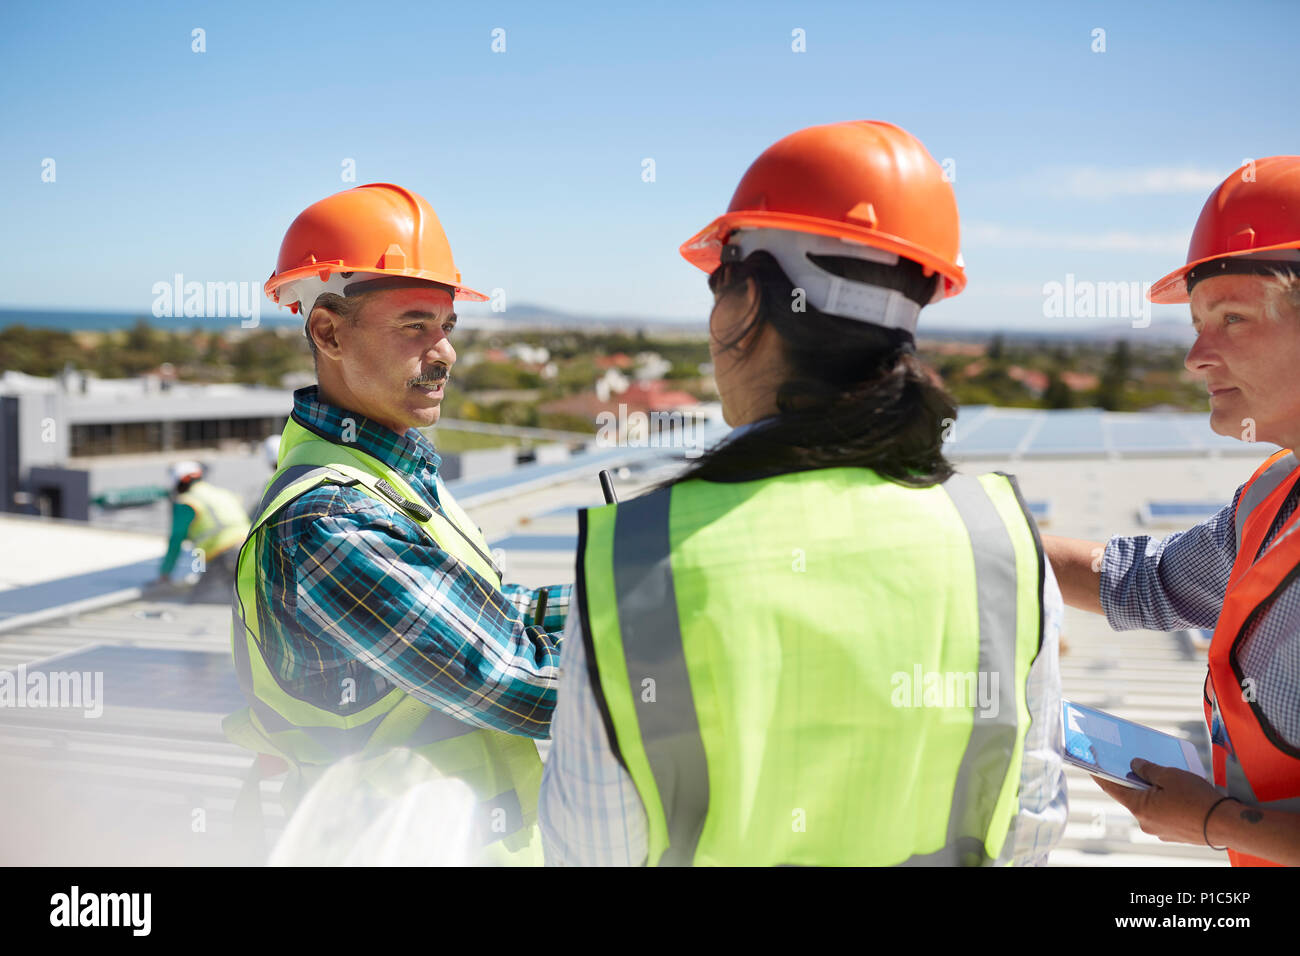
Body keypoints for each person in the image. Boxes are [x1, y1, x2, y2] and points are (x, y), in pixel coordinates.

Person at [538, 121, 1067, 866]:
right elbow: (1031, 827)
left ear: (750, 302)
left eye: (717, 281)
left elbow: (586, 853)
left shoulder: (638, 561)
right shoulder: (1002, 546)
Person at [224, 182, 568, 865]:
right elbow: (520, 679)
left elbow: (494, 617)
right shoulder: (328, 523)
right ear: (327, 331)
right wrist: (699, 655)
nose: (444, 354)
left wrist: (635, 597)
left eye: (447, 327)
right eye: (415, 326)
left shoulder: (391, 481)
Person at [1043, 156, 1300, 867]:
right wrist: (978, 534)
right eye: (1195, 323)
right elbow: (1145, 582)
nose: (1195, 355)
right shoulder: (1274, 494)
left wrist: (1220, 821)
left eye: (1232, 319)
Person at [151, 460, 250, 603]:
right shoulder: (222, 493)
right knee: (242, 597)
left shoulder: (187, 502)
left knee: (201, 599)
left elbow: (176, 540)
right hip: (250, 547)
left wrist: (165, 574)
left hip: (225, 554)